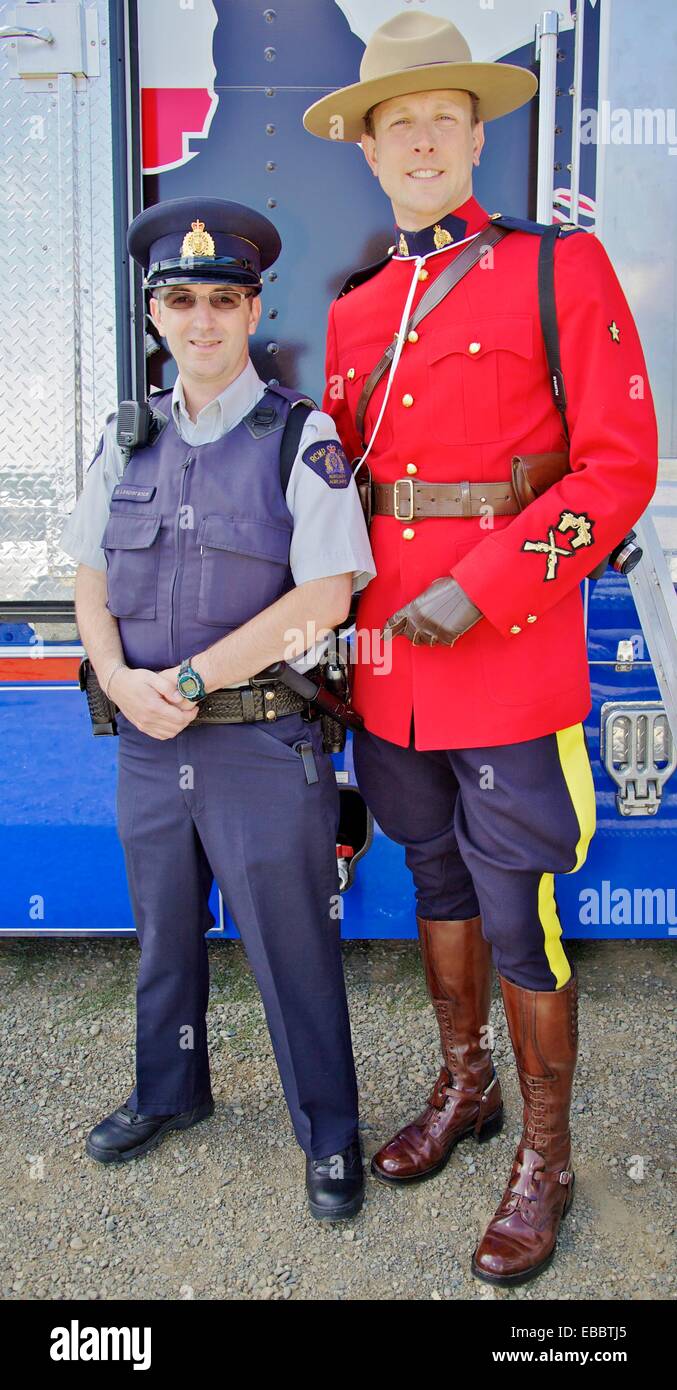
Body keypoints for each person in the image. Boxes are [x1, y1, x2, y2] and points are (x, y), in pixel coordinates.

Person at [304, 11, 658, 1281]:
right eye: (394, 125)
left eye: (437, 122)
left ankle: (543, 1158)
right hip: (390, 663)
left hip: (501, 647)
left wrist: (492, 580)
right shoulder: (356, 311)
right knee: (434, 882)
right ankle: (468, 1091)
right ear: (368, 148)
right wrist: (329, 631)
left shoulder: (557, 269)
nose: (417, 143)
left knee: (517, 910)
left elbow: (617, 467)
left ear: (472, 135)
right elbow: (335, 489)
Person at [59, 196, 376, 1220]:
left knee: (291, 946)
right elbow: (87, 574)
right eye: (181, 299)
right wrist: (112, 674)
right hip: (144, 744)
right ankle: (170, 1092)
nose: (202, 319)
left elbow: (326, 595)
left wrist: (192, 682)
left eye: (223, 300)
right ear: (156, 315)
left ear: (251, 311)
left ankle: (329, 1136)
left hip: (256, 744)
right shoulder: (125, 436)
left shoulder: (300, 436)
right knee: (162, 936)